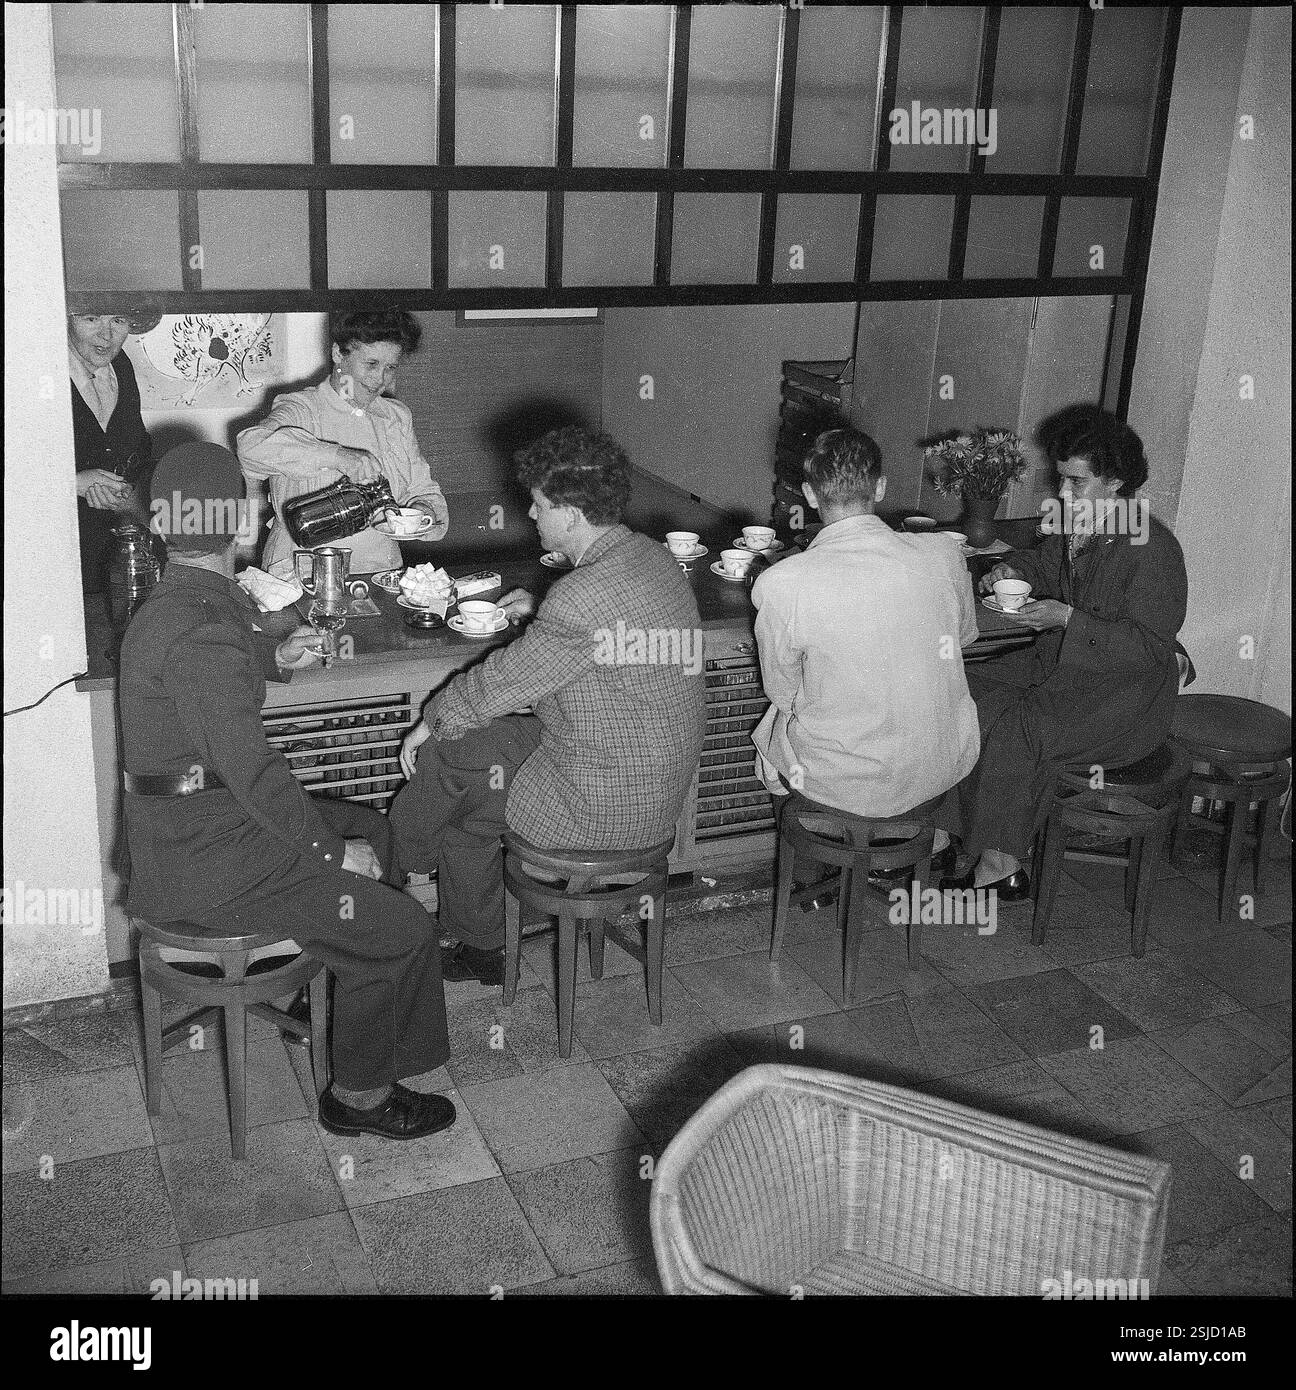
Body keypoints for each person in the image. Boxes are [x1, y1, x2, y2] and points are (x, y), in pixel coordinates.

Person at [119, 441, 454, 1140]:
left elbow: (203, 693)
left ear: (159, 524)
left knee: (381, 834)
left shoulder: (180, 601)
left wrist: (276, 656)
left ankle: (342, 972)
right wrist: (334, 856)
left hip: (193, 827)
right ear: (241, 519)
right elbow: (257, 775)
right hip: (206, 860)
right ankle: (358, 1095)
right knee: (406, 928)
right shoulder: (201, 625)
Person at [389, 427, 707, 985]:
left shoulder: (581, 595)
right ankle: (402, 867)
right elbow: (609, 632)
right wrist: (540, 610)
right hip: (654, 782)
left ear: (571, 511)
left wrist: (428, 720)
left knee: (458, 773)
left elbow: (502, 684)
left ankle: (412, 888)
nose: (532, 516)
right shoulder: (651, 557)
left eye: (538, 505)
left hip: (603, 805)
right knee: (459, 755)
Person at [943, 404, 1188, 896]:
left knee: (1021, 725)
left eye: (1077, 483)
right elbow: (1044, 561)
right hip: (1066, 667)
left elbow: (1150, 647)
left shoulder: (1151, 547)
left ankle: (1000, 866)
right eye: (1062, 480)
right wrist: (1014, 572)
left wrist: (1069, 620)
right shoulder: (1078, 525)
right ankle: (953, 837)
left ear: (1115, 481)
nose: (1063, 494)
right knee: (958, 689)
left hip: (1127, 698)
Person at [750, 426, 980, 867]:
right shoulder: (944, 555)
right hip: (938, 770)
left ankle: (812, 872)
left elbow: (780, 690)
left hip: (847, 781)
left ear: (810, 495)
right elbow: (965, 637)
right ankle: (907, 845)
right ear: (880, 486)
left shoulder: (783, 581)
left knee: (770, 739)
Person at [237, 309, 448, 578]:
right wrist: (338, 456)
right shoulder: (302, 408)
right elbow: (250, 446)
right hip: (301, 576)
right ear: (338, 354)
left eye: (390, 367)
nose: (380, 379)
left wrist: (422, 512)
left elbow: (422, 489)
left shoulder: (395, 416)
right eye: (371, 364)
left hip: (379, 574)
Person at [67, 306, 155, 593]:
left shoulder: (122, 365)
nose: (106, 335)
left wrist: (129, 490)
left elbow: (137, 446)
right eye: (91, 318)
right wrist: (73, 483)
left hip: (110, 553)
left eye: (118, 320)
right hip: (57, 553)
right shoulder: (36, 371)